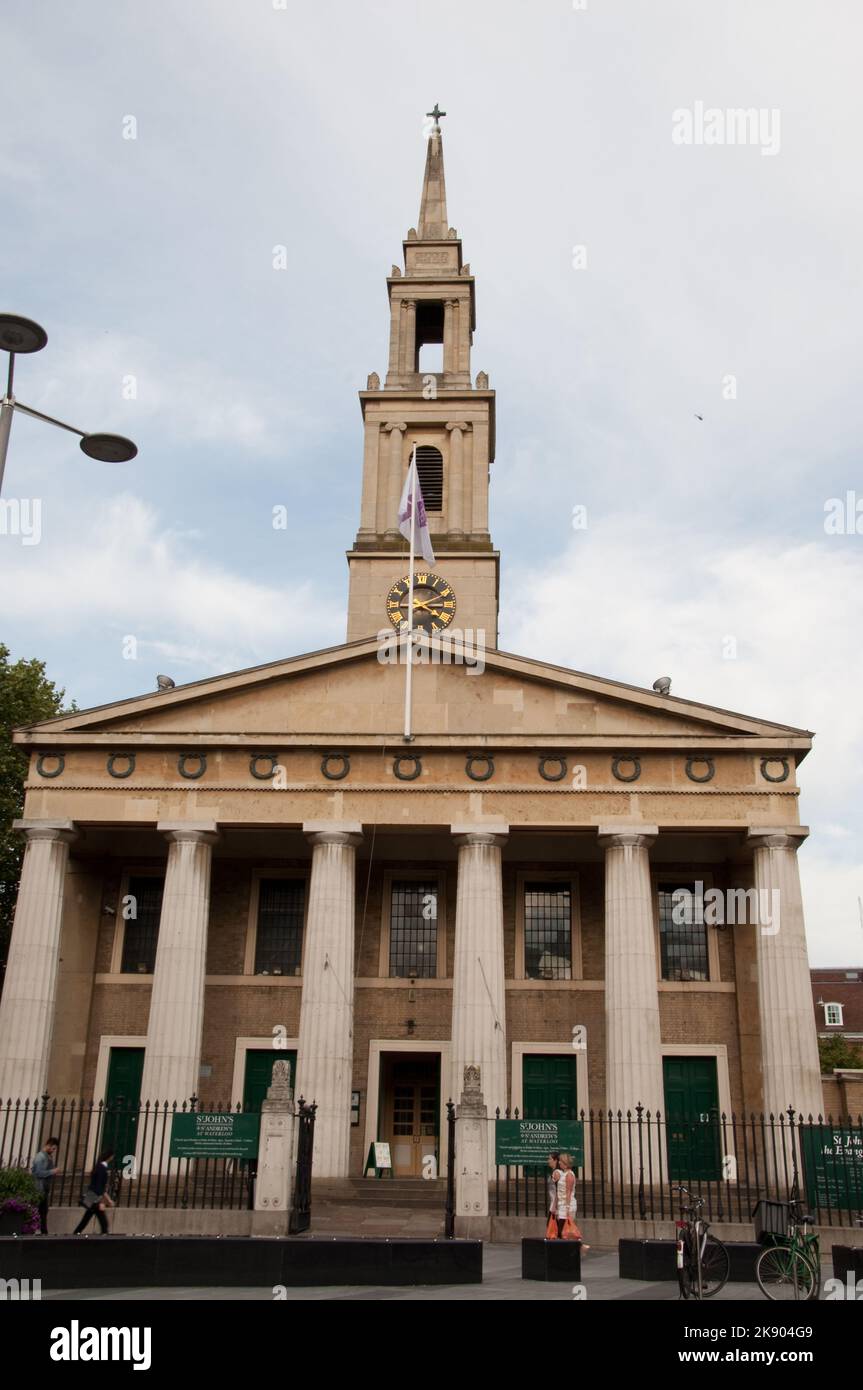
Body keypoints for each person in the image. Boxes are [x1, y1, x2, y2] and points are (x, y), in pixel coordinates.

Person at [73, 1148, 115, 1235]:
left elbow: (99, 1186)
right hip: (94, 1197)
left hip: (91, 1196)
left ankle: (76, 1233)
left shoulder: (99, 1167)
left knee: (88, 1217)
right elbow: (99, 1187)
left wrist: (108, 1200)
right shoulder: (102, 1168)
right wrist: (102, 1202)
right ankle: (104, 1235)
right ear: (110, 1157)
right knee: (102, 1221)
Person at [555, 1153, 590, 1249]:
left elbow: (569, 1192)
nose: (559, 1163)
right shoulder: (564, 1174)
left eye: (560, 1161)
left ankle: (579, 1246)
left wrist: (566, 1208)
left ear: (565, 1163)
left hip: (568, 1205)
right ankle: (579, 1246)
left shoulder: (569, 1175)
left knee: (565, 1229)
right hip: (562, 1204)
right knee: (563, 1230)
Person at [31, 1137, 61, 1235]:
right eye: (53, 1148)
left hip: (43, 1188)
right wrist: (53, 1171)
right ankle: (42, 1232)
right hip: (39, 1188)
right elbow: (38, 1173)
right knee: (40, 1211)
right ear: (48, 1145)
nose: (53, 1151)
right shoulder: (40, 1157)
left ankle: (43, 1232)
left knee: (43, 1211)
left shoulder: (46, 1157)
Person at [546, 1151, 561, 1231]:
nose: (548, 1161)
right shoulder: (555, 1172)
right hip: (553, 1205)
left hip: (555, 1206)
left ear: (555, 1160)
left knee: (553, 1230)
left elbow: (559, 1190)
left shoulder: (556, 1172)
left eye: (550, 1159)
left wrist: (556, 1208)